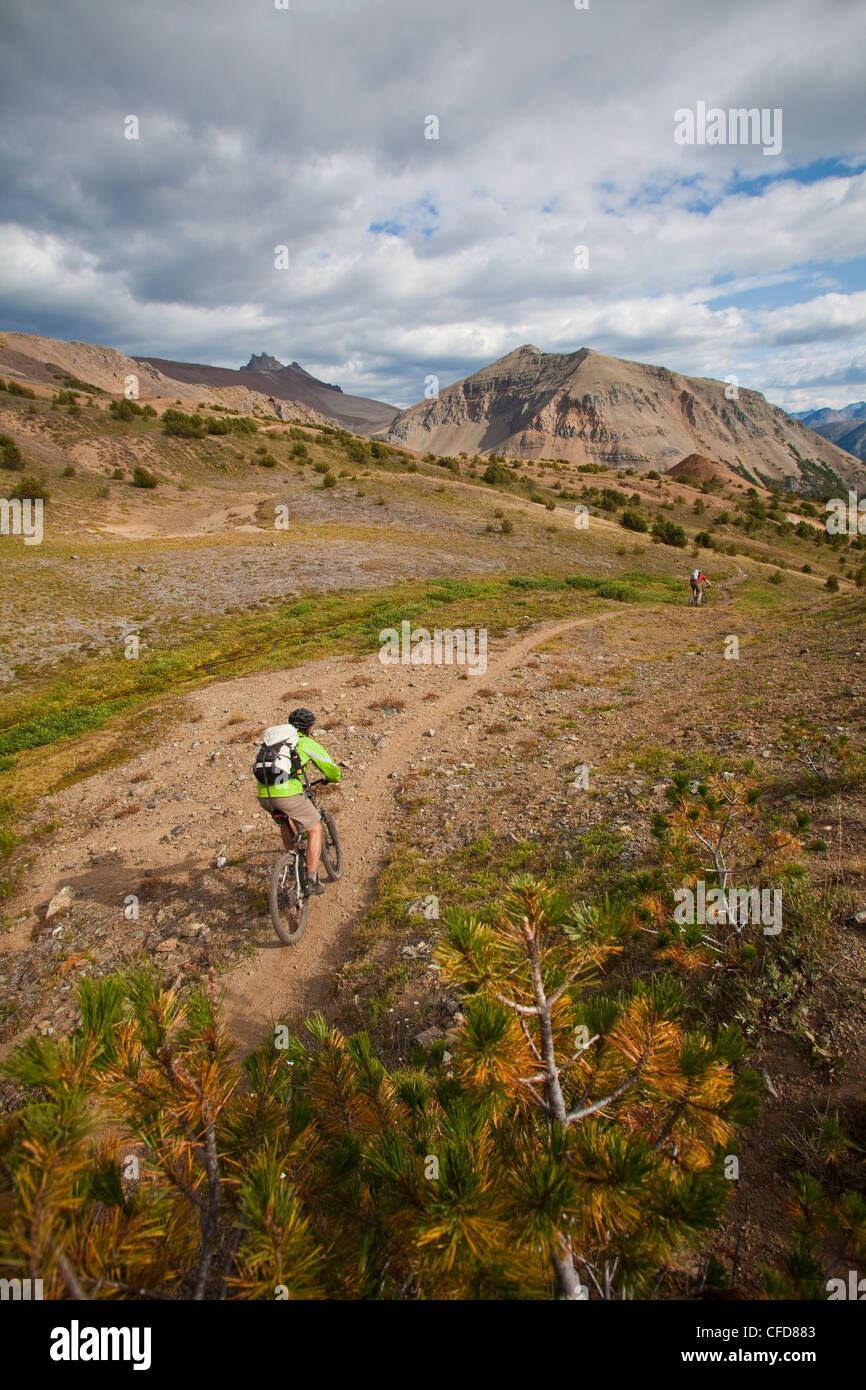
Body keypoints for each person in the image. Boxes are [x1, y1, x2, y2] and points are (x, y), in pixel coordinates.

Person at [256, 708, 341, 896]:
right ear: (309, 727)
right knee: (315, 828)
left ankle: (292, 858)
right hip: (287, 795)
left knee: (284, 819)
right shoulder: (304, 743)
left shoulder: (274, 743)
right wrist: (335, 777)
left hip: (264, 795)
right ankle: (312, 879)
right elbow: (329, 767)